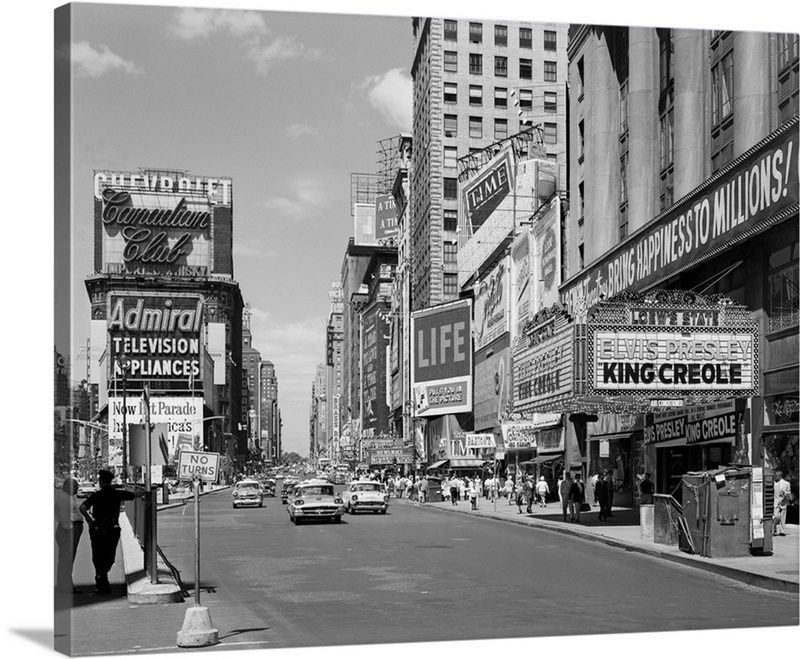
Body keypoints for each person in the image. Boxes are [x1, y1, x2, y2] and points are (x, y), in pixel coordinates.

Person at [79, 469, 144, 594]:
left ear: (101, 482)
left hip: (97, 527)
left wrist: (89, 520)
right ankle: (103, 577)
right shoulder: (117, 494)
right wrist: (148, 491)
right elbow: (136, 494)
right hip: (112, 527)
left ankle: (100, 579)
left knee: (97, 554)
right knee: (110, 554)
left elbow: (82, 507)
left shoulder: (96, 495)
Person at [55, 477, 85, 593]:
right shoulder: (64, 499)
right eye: (75, 486)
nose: (78, 488)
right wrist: (70, 529)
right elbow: (64, 519)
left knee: (67, 559)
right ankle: (66, 586)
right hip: (68, 531)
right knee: (67, 559)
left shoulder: (67, 497)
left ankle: (65, 585)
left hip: (70, 530)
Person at [773, 471, 793, 536]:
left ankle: (782, 531)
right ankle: (774, 528)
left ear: (780, 476)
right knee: (776, 516)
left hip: (783, 501)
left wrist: (785, 493)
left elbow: (789, 492)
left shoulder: (787, 483)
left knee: (783, 517)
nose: (775, 477)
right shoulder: (774, 483)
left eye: (776, 476)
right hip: (776, 502)